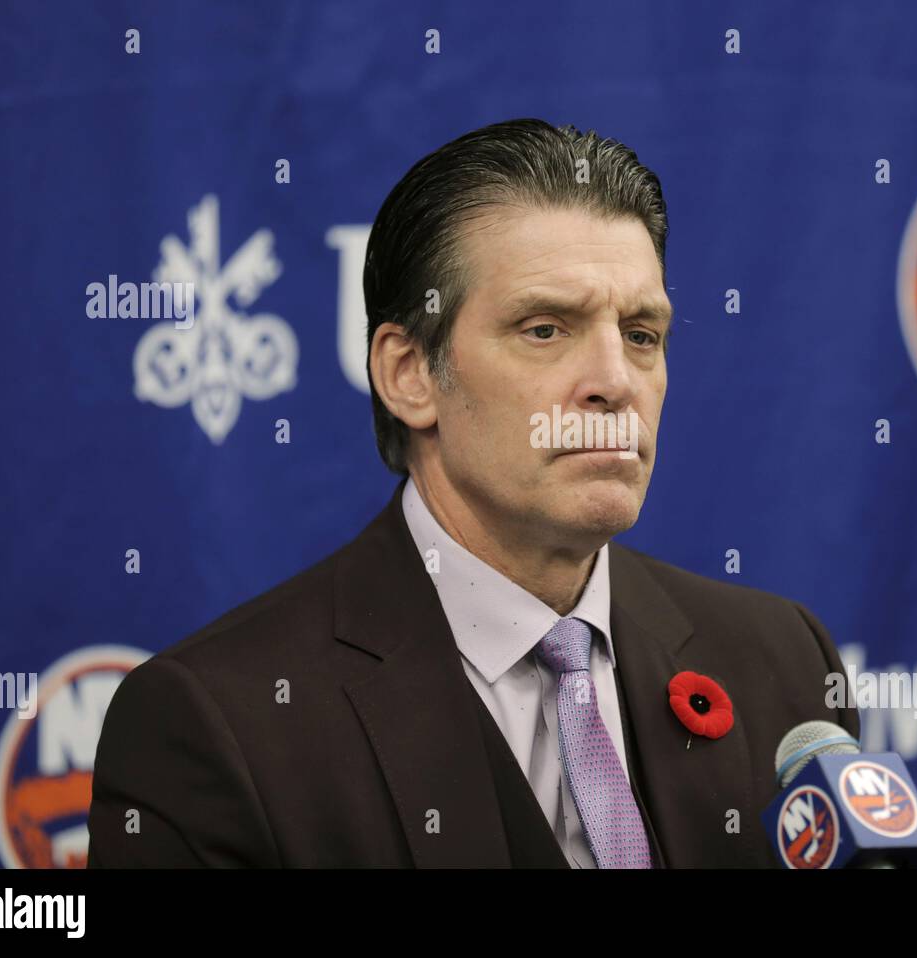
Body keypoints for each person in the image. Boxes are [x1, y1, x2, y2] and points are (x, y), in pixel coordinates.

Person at [87, 118, 859, 868]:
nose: (616, 383)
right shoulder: (219, 726)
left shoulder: (782, 662)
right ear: (408, 375)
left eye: (641, 334)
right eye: (545, 329)